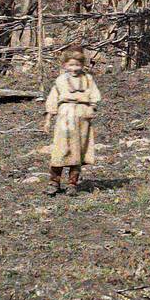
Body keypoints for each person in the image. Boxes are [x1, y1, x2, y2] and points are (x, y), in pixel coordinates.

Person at [43, 48, 102, 196]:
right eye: (71, 65)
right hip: (65, 116)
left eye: (77, 65)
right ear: (65, 65)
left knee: (78, 151)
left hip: (82, 117)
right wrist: (48, 120)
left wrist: (91, 108)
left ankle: (72, 184)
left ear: (82, 65)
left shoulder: (88, 79)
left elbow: (95, 96)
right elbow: (52, 99)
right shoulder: (61, 80)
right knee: (61, 149)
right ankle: (54, 183)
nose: (74, 68)